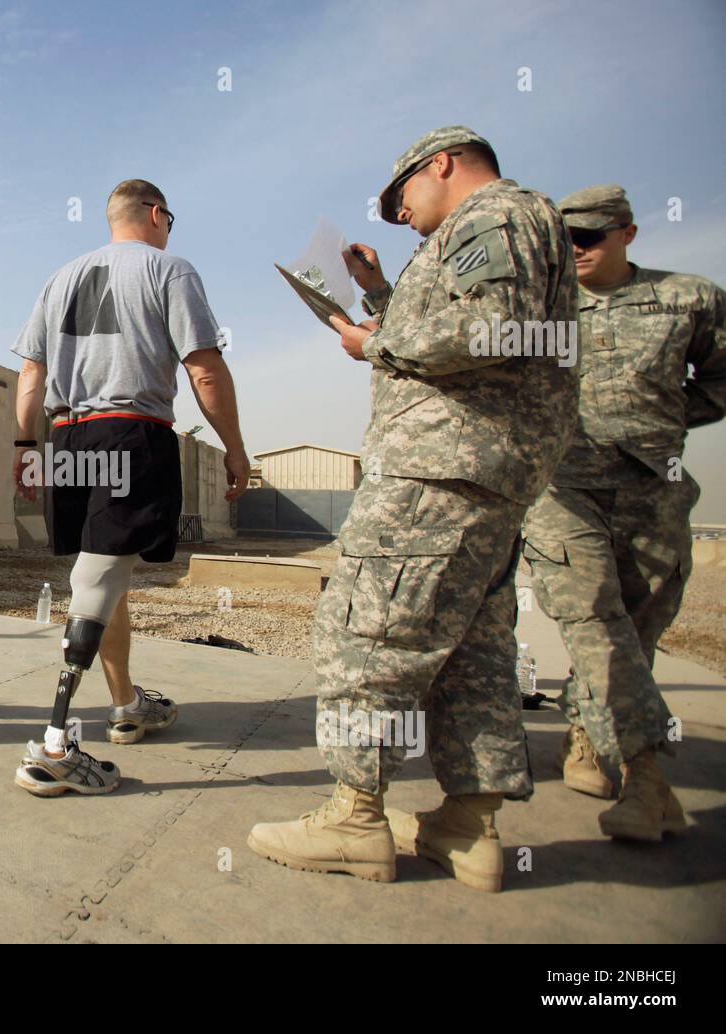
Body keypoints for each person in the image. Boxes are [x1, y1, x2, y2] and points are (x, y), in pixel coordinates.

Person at [248, 127, 578, 891]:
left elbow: (486, 329)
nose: (402, 220)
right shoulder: (515, 224)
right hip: (484, 471)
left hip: (439, 468)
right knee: (470, 650)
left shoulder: (492, 217)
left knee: (369, 629)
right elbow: (481, 326)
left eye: (402, 202)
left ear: (442, 165)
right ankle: (469, 825)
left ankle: (355, 817)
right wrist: (374, 292)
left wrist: (372, 343)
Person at [9, 178, 249, 796]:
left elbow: (30, 371)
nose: (171, 228)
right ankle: (56, 746)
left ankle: (124, 704)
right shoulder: (169, 269)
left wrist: (23, 445)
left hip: (67, 436)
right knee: (97, 577)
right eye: (171, 217)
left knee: (105, 571)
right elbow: (203, 366)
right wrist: (236, 448)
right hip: (130, 429)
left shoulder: (58, 278)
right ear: (155, 213)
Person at [522, 184, 726, 841]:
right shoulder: (538, 310)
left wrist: (662, 418)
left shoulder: (687, 299)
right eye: (566, 240)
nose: (575, 251)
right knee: (591, 620)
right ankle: (648, 781)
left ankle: (585, 737)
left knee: (633, 634)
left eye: (590, 238)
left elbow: (720, 379)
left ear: (627, 234)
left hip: (654, 492)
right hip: (562, 489)